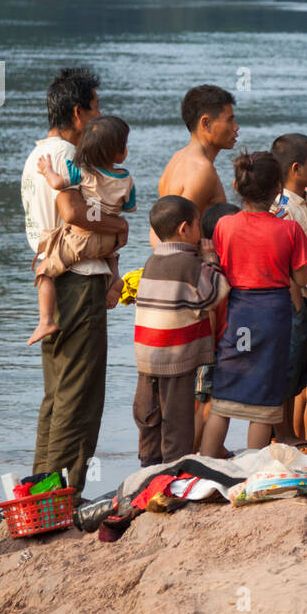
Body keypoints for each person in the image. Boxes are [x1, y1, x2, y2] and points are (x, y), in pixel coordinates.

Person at [21, 68, 126, 496]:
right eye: (96, 109)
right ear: (79, 113)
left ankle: (40, 490)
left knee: (57, 395)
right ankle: (60, 496)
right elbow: (79, 214)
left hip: (52, 276)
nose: (100, 118)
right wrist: (118, 222)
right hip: (78, 279)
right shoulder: (70, 157)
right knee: (79, 398)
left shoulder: (36, 157)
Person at [201, 152, 307, 456]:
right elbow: (301, 279)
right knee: (264, 399)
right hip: (273, 314)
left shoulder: (224, 225)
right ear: (278, 188)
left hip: (236, 310)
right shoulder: (289, 229)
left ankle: (208, 463)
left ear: (237, 185)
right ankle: (254, 468)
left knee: (223, 399)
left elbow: (220, 266)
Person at [132, 196, 229, 466]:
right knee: (177, 417)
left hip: (147, 355)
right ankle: (175, 469)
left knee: (148, 413)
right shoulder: (191, 265)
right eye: (197, 226)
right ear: (184, 229)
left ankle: (149, 466)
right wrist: (211, 259)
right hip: (175, 356)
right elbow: (214, 294)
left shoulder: (152, 261)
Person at [28, 115, 135, 344]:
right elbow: (130, 206)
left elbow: (57, 184)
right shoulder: (126, 178)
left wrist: (47, 170)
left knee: (44, 270)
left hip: (83, 239)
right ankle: (115, 279)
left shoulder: (82, 171)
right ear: (119, 153)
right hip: (109, 240)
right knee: (111, 255)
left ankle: (45, 321)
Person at [270, 132, 307, 446]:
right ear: (295, 169)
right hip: (297, 297)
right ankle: (281, 434)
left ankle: (287, 432)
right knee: (287, 370)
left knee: (297, 370)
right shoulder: (285, 208)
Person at [194, 201, 240, 452]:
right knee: (207, 404)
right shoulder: (213, 269)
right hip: (211, 349)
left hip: (220, 348)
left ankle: (214, 448)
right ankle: (195, 455)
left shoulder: (217, 265)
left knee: (215, 402)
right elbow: (210, 312)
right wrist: (209, 352)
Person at [158, 84, 239, 219]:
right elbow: (176, 228)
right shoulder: (202, 170)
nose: (236, 127)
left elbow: (159, 226)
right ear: (206, 123)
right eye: (229, 120)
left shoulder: (177, 158)